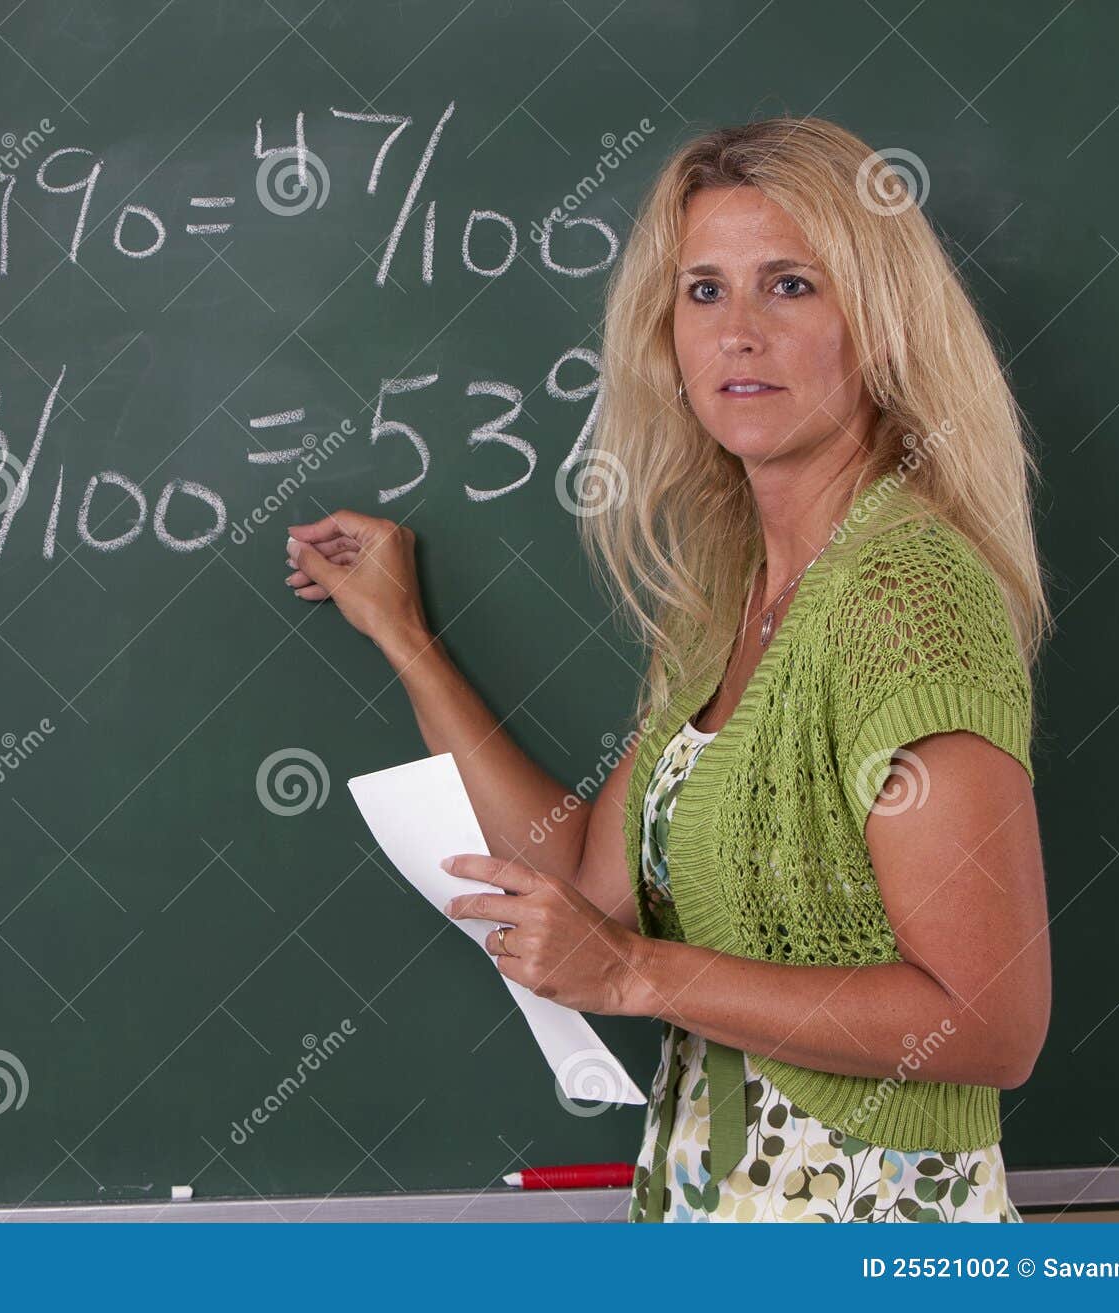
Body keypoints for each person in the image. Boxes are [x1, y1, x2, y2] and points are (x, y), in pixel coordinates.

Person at [283, 115, 1051, 1223]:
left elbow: (988, 1019)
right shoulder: (728, 598)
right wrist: (407, 637)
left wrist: (637, 974)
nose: (738, 333)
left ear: (879, 321)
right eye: (703, 291)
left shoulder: (905, 597)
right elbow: (588, 889)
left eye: (790, 286)